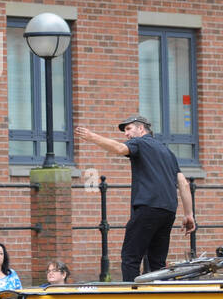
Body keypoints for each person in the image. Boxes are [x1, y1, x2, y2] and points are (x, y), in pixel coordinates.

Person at [75, 115, 195, 281]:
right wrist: (189, 214)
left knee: (130, 258)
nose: (126, 134)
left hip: (147, 208)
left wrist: (92, 136)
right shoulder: (167, 152)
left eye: (129, 129)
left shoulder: (140, 142)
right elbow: (183, 183)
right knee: (158, 263)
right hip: (168, 211)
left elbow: (119, 149)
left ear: (141, 129)